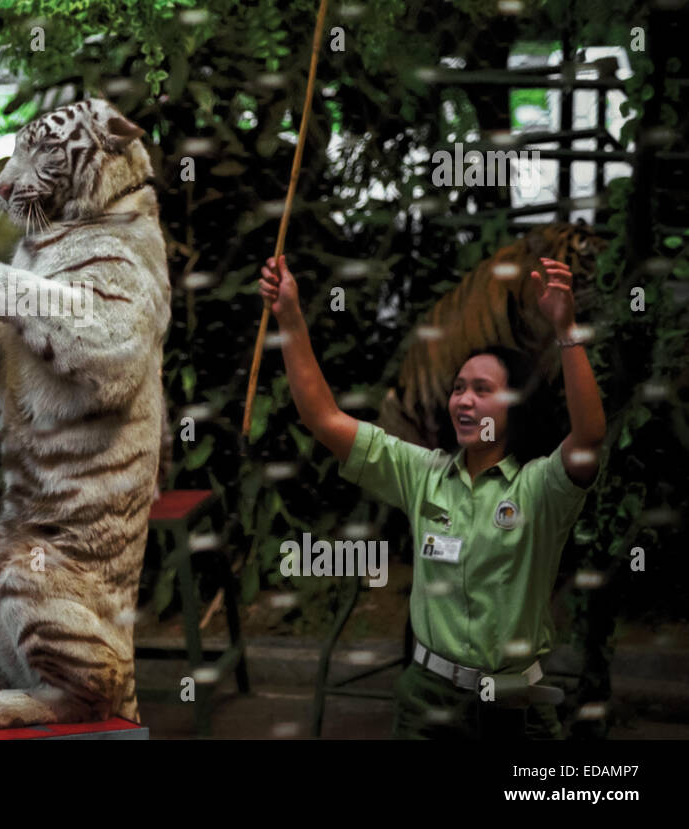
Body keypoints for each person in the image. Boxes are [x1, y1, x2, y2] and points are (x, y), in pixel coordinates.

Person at [258, 253, 607, 740]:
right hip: (429, 701)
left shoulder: (541, 488)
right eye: (458, 388)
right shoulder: (422, 475)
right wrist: (291, 317)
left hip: (515, 705)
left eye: (482, 390)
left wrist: (566, 330)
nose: (464, 399)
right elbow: (324, 419)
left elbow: (589, 436)